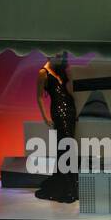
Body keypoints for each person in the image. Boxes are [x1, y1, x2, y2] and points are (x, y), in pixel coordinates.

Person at [33, 55, 78, 203]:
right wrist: (45, 117)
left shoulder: (60, 70)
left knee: (70, 146)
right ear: (50, 55)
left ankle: (71, 185)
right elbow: (39, 96)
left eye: (61, 55)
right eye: (57, 55)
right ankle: (65, 186)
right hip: (58, 111)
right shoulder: (43, 73)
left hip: (70, 109)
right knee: (64, 147)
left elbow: (70, 89)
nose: (60, 58)